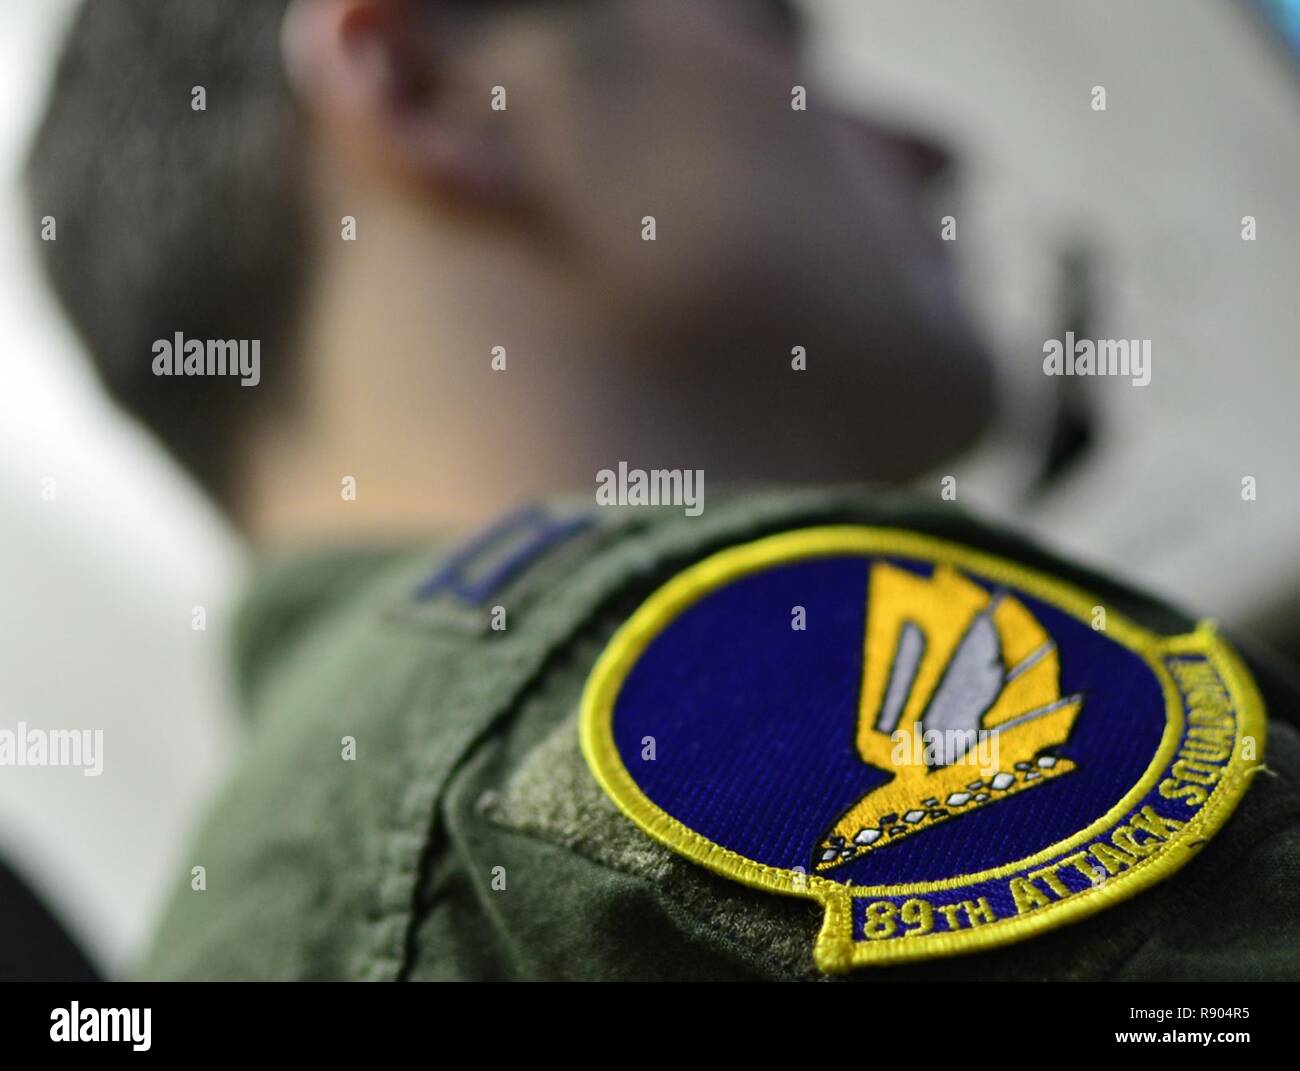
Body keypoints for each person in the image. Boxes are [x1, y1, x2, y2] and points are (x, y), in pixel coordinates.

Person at [25, 0, 1299, 981]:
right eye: (770, 30)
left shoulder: (249, 896)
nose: (931, 146)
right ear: (420, 91)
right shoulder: (739, 647)